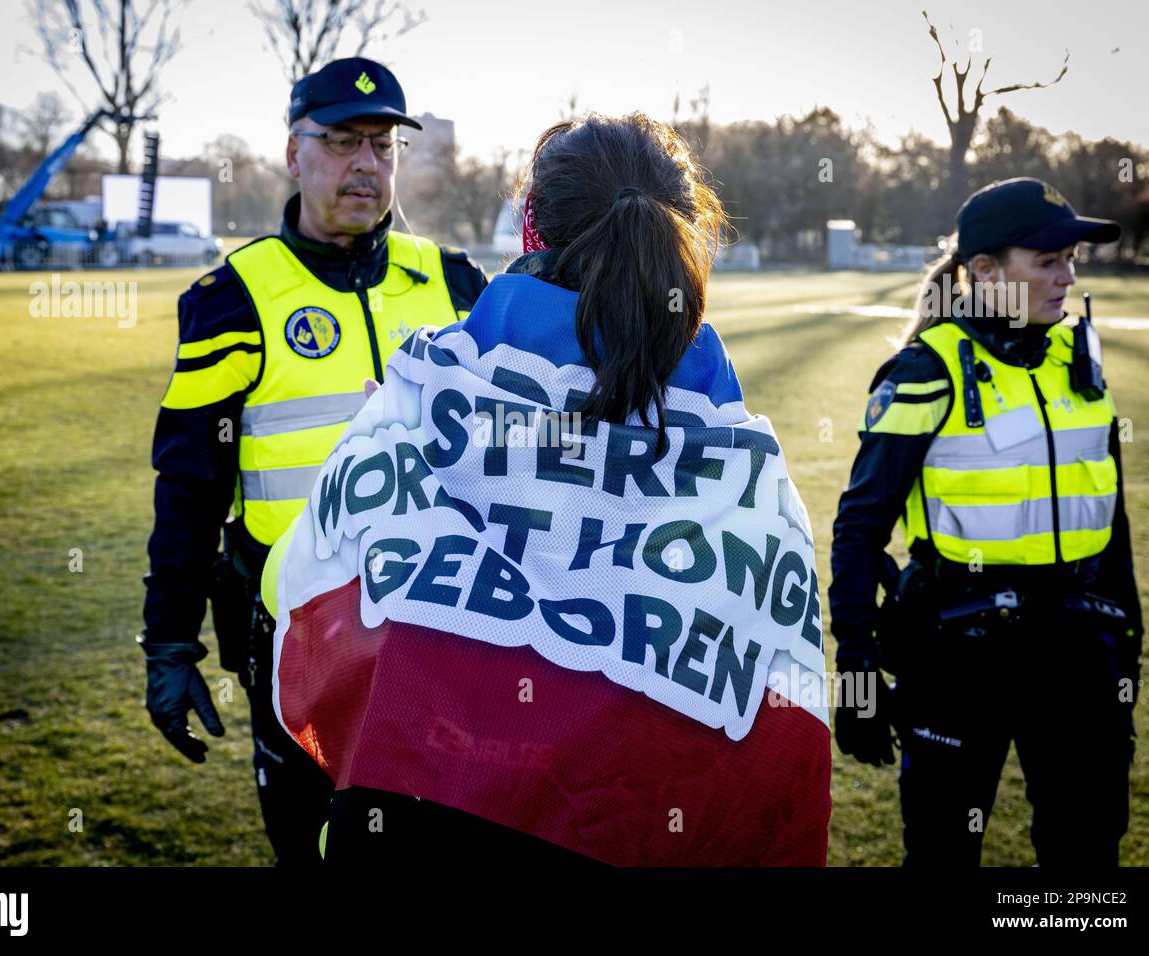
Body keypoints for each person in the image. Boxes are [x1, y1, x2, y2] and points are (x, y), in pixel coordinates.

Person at [260, 113, 832, 865]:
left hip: (421, 822)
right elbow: (771, 701)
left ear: (531, 226)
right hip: (630, 830)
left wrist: (385, 468)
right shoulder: (743, 455)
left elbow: (296, 595)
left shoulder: (428, 382)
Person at [138, 56, 488, 865]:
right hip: (296, 641)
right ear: (294, 152)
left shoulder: (460, 286)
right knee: (309, 849)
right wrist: (169, 643)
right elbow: (189, 489)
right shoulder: (233, 296)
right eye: (341, 141)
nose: (366, 163)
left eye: (384, 144)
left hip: (437, 634)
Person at [829, 177, 1144, 866]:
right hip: (957, 658)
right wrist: (855, 675)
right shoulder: (923, 370)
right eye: (1047, 261)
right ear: (982, 271)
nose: (1066, 277)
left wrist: (1128, 648)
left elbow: (1112, 524)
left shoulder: (1079, 362)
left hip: (1080, 654)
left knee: (1087, 856)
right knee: (943, 853)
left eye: (1072, 262)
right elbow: (860, 527)